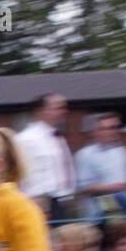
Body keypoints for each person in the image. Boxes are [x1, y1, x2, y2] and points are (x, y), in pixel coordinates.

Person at [15, 93, 77, 222]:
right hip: (41, 202)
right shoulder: (26, 139)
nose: (63, 112)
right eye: (57, 108)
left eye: (64, 108)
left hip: (63, 202)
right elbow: (19, 174)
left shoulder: (57, 138)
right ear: (41, 111)